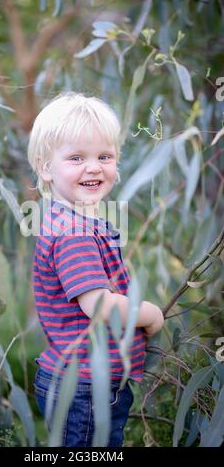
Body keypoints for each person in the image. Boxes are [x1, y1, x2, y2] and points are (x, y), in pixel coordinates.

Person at [27, 92, 164, 447]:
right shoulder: (74, 233)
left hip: (83, 381)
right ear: (45, 167)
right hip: (86, 387)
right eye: (76, 158)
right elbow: (99, 307)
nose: (93, 167)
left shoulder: (73, 220)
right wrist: (149, 315)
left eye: (105, 156)